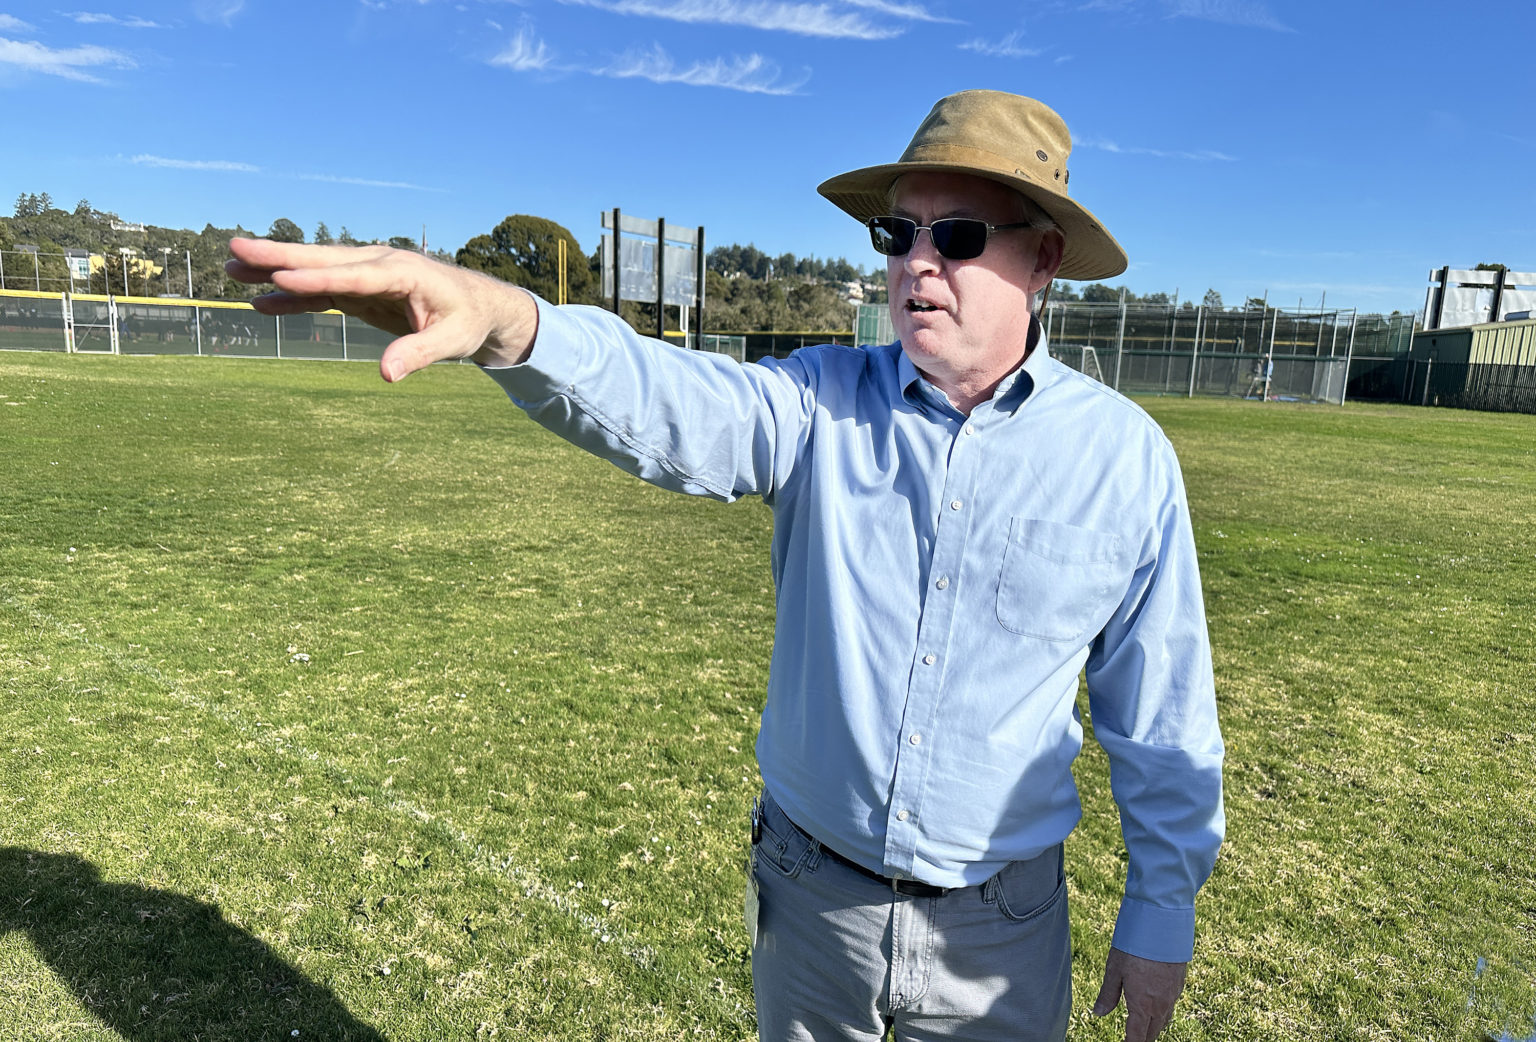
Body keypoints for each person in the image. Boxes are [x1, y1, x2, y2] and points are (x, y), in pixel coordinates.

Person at [226, 90, 1224, 1042]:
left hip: (1001, 926)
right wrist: (508, 321)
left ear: (1043, 259)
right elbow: (672, 401)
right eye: (899, 232)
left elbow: (1161, 710)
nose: (919, 262)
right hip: (813, 893)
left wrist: (1161, 908)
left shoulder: (1123, 460)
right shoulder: (818, 398)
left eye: (957, 234)